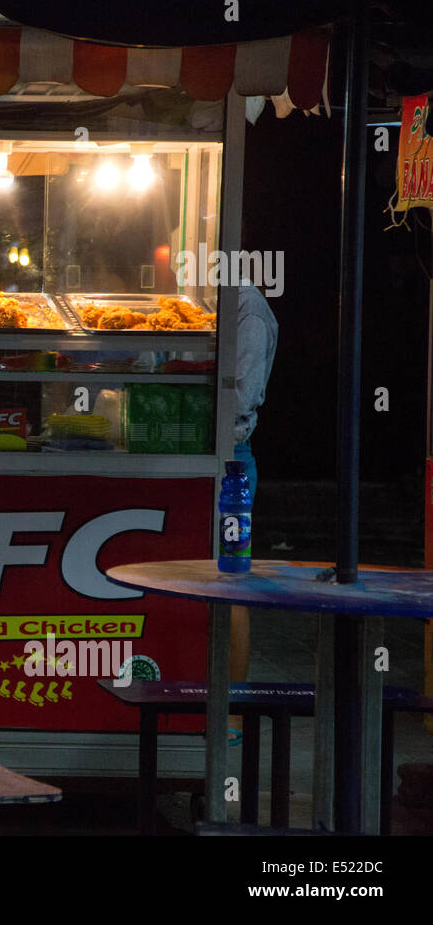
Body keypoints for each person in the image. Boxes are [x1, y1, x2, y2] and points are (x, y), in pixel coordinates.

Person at [228, 280, 278, 743]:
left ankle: (233, 712)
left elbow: (242, 397)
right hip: (190, 454)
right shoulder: (191, 302)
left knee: (230, 579)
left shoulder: (247, 309)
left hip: (230, 463)